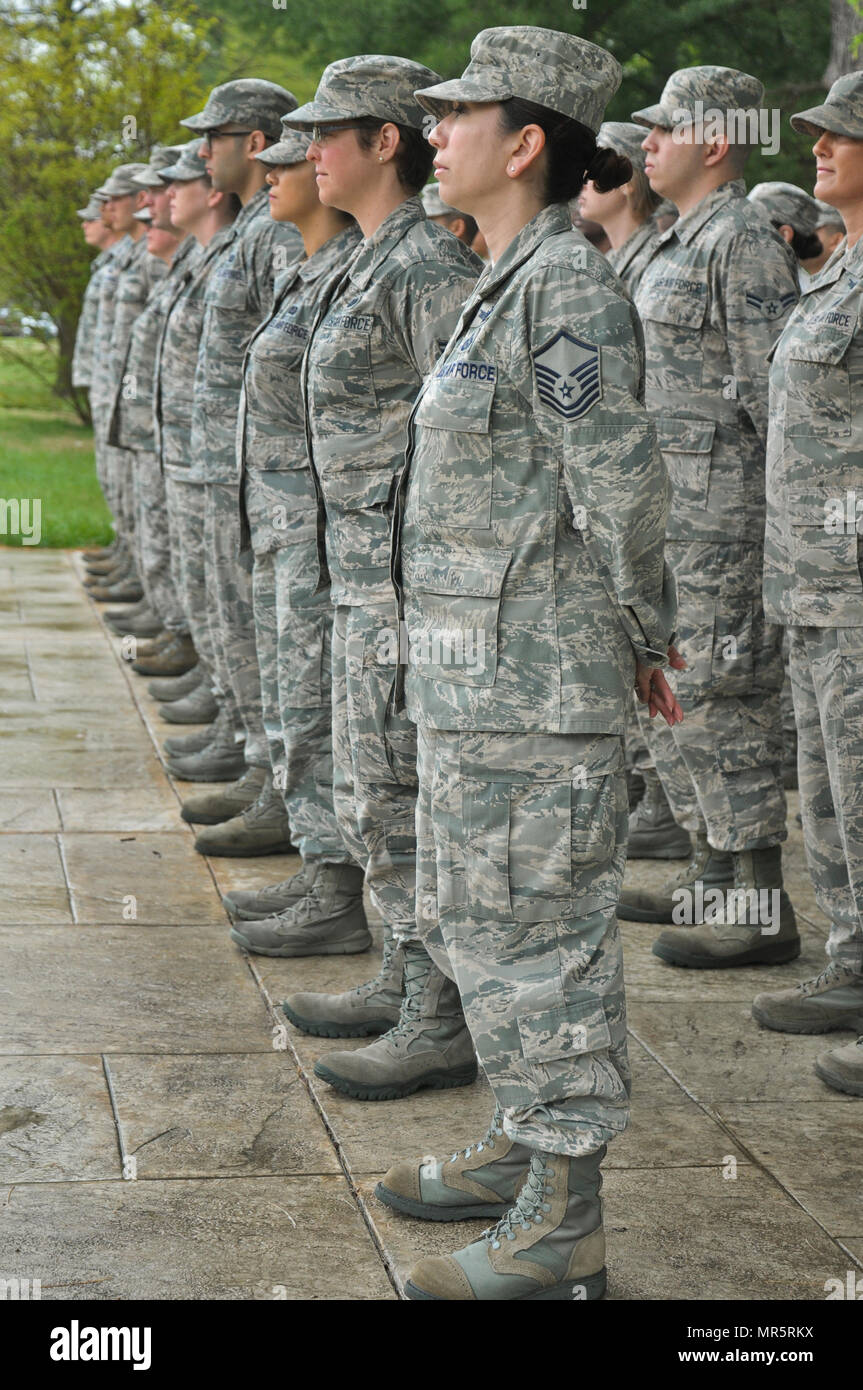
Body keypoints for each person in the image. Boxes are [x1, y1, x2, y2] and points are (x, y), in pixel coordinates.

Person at [374, 24, 679, 1301]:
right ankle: (519, 1145)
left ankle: (564, 1227)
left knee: (538, 940)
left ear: (526, 141)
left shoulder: (561, 288)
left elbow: (615, 480)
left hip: (537, 690)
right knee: (476, 923)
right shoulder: (502, 278)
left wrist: (650, 632)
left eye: (458, 115)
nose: (434, 134)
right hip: (475, 680)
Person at [269, 55, 482, 1095]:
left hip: (406, 583)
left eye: (328, 130)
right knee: (371, 789)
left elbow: (477, 432)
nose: (308, 148)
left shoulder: (424, 268)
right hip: (355, 574)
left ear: (382, 141)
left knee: (407, 792)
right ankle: (400, 973)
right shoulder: (367, 256)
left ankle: (437, 1010)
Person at [617, 67, 803, 969]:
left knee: (723, 704)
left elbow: (778, 401)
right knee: (674, 699)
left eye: (665, 129)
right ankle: (712, 873)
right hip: (667, 519)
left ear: (716, 142)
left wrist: (778, 533)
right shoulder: (670, 240)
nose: (646, 142)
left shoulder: (742, 243)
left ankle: (759, 905)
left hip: (722, 524)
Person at [198, 121, 366, 926]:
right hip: (285, 521)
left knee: (324, 710)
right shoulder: (309, 267)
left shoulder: (379, 268)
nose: (271, 175)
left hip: (334, 538)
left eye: (288, 160)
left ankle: (337, 888)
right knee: (297, 699)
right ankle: (317, 864)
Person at [752, 72, 863, 1097]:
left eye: (838, 135)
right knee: (827, 797)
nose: (816, 148)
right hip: (812, 584)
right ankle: (850, 966)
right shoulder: (835, 274)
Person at [165, 81, 303, 863]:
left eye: (211, 137)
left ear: (252, 142)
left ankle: (276, 781)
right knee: (237, 622)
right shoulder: (250, 228)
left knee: (263, 634)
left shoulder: (276, 233)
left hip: (258, 472)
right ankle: (261, 764)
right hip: (223, 463)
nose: (199, 151)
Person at [579, 119, 688, 862]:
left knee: (707, 692)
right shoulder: (611, 263)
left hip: (702, 505)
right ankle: (663, 804)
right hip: (665, 503)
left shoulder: (579, 274)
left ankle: (720, 856)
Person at [149, 142, 240, 741]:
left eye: (177, 184)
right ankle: (234, 716)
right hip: (198, 451)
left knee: (237, 607)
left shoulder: (256, 246)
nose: (160, 201)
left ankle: (250, 739)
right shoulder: (209, 255)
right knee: (211, 592)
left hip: (238, 470)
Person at [105, 150, 200, 667]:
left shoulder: (227, 253)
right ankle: (176, 630)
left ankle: (188, 646)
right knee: (166, 537)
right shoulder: (193, 259)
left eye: (164, 187)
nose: (150, 204)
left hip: (200, 445)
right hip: (162, 428)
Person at [83, 162, 151, 603]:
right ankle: (131, 561)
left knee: (142, 496)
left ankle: (149, 589)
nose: (105, 209)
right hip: (114, 390)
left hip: (139, 400)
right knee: (121, 487)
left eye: (113, 199)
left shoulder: (150, 256)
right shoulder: (125, 256)